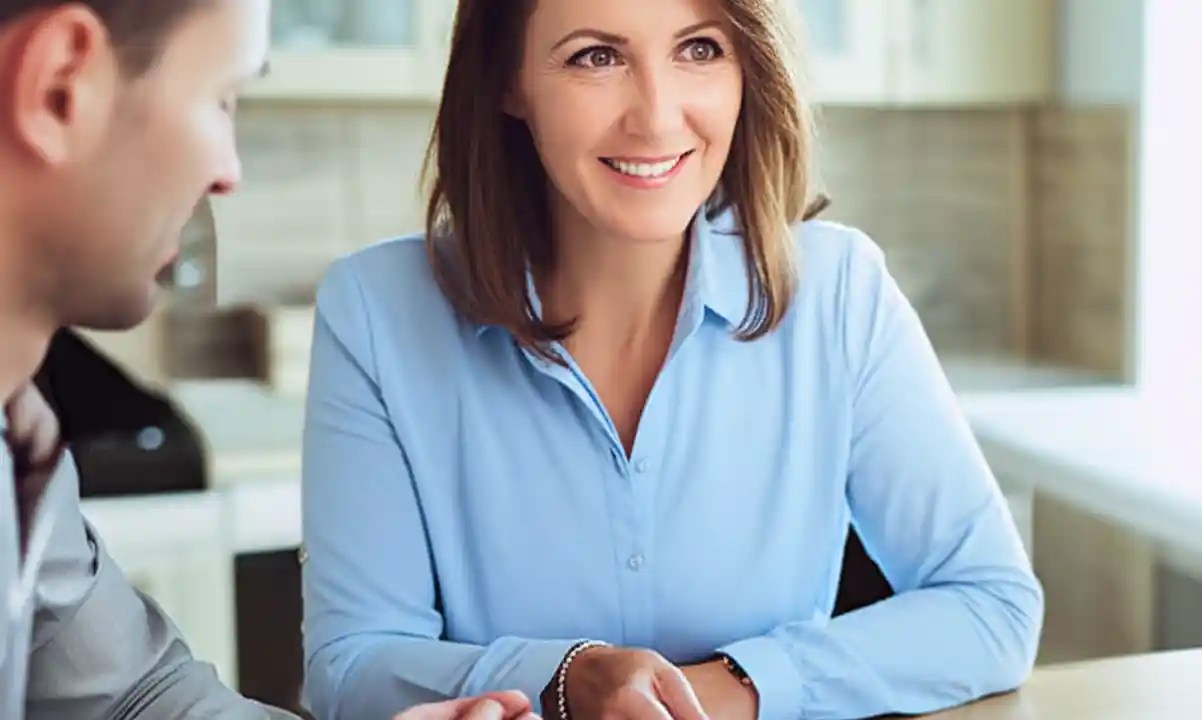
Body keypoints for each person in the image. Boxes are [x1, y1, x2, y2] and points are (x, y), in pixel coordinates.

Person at [299, 0, 1046, 718]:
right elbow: (351, 668)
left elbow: (990, 606)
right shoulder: (377, 311)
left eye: (700, 49)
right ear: (507, 78)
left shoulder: (839, 294)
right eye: (595, 57)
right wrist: (568, 681)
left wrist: (728, 693)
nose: (656, 116)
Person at [0, 1, 534, 718]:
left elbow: (137, 697)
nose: (229, 174)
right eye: (221, 100)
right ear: (61, 86)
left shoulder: (19, 446)